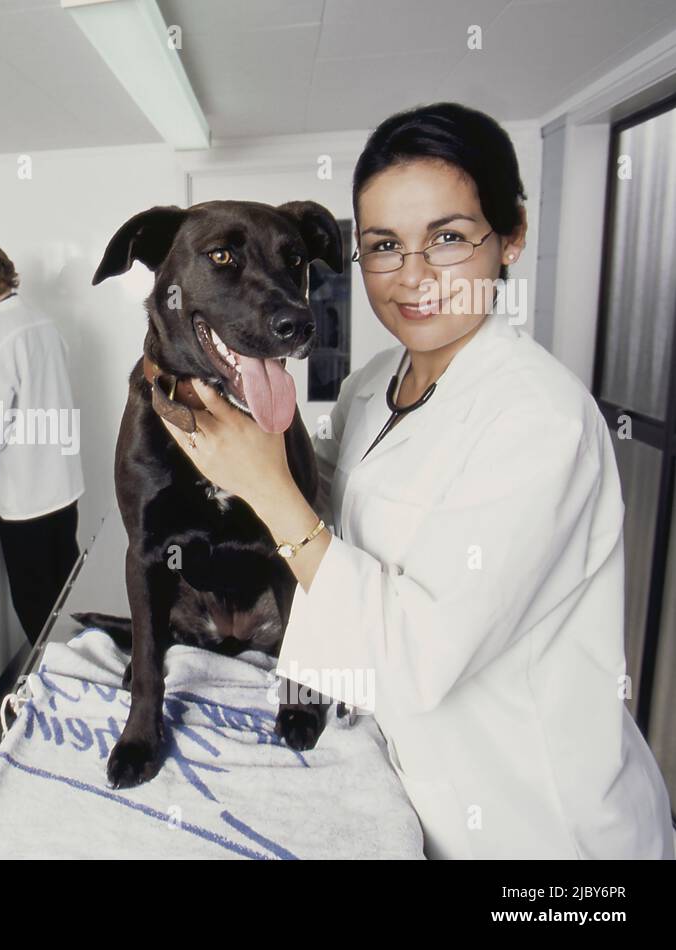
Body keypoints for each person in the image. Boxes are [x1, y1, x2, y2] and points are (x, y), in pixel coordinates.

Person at [160, 102, 674, 859]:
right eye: (383, 246)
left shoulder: (540, 422)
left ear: (512, 238)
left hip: (542, 842)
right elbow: (330, 495)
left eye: (449, 238)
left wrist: (266, 490)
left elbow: (412, 658)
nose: (414, 276)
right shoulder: (375, 385)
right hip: (412, 806)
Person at [0, 240, 84, 647]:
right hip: (63, 490)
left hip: (27, 501)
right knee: (66, 598)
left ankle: (51, 694)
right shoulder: (43, 322)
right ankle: (79, 680)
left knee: (36, 606)